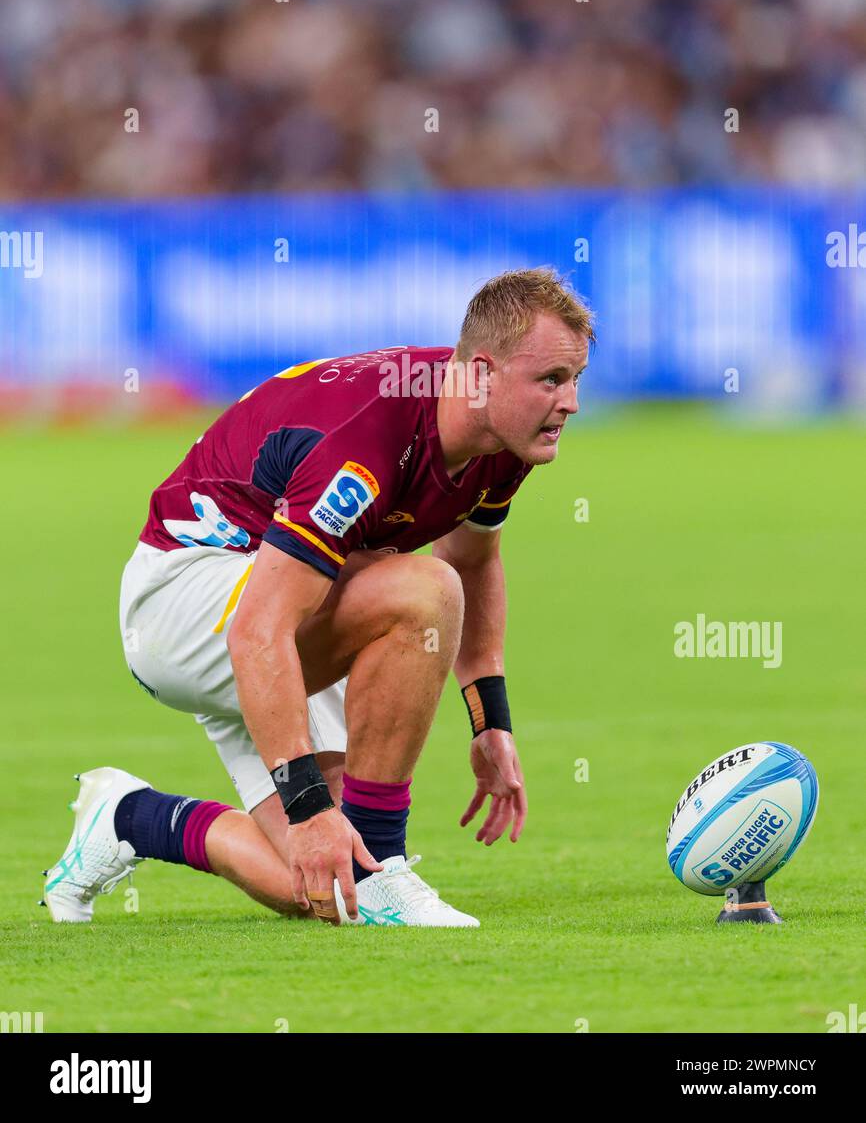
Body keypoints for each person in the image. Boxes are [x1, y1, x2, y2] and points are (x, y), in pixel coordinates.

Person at [42, 269, 593, 927]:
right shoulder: (365, 445)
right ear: (480, 373)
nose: (572, 403)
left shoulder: (501, 443)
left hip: (283, 601)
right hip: (184, 600)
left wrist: (490, 722)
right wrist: (306, 810)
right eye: (552, 380)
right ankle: (384, 868)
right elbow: (257, 630)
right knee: (421, 590)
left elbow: (476, 560)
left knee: (326, 891)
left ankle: (129, 817)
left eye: (576, 379)